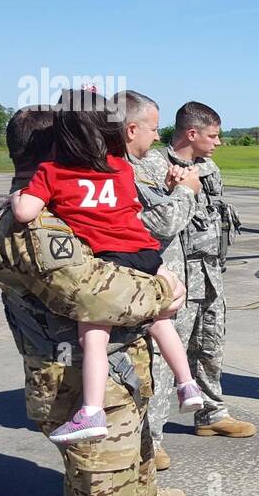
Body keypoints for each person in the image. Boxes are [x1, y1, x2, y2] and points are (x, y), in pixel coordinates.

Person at [0, 104, 181, 496]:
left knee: (125, 494)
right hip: (79, 387)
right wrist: (165, 290)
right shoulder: (31, 225)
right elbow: (97, 295)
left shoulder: (62, 207)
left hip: (115, 379)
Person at [11, 91, 204, 444]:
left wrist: (18, 195)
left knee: (93, 337)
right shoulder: (120, 166)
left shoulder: (53, 172)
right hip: (146, 254)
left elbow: (25, 213)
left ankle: (91, 411)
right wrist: (94, 104)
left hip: (110, 260)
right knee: (162, 318)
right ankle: (187, 384)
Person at [119, 90, 201, 471]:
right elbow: (160, 224)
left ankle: (150, 447)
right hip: (138, 291)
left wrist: (170, 189)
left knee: (160, 371)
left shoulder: (146, 163)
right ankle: (141, 458)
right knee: (141, 373)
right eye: (153, 128)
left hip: (159, 287)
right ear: (131, 129)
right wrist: (184, 192)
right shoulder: (119, 170)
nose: (157, 136)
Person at [167, 102, 254, 438]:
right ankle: (149, 436)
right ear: (192, 133)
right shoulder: (157, 168)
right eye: (213, 135)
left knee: (210, 346)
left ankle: (211, 414)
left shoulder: (209, 168)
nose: (219, 142)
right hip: (176, 279)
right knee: (165, 356)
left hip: (209, 274)